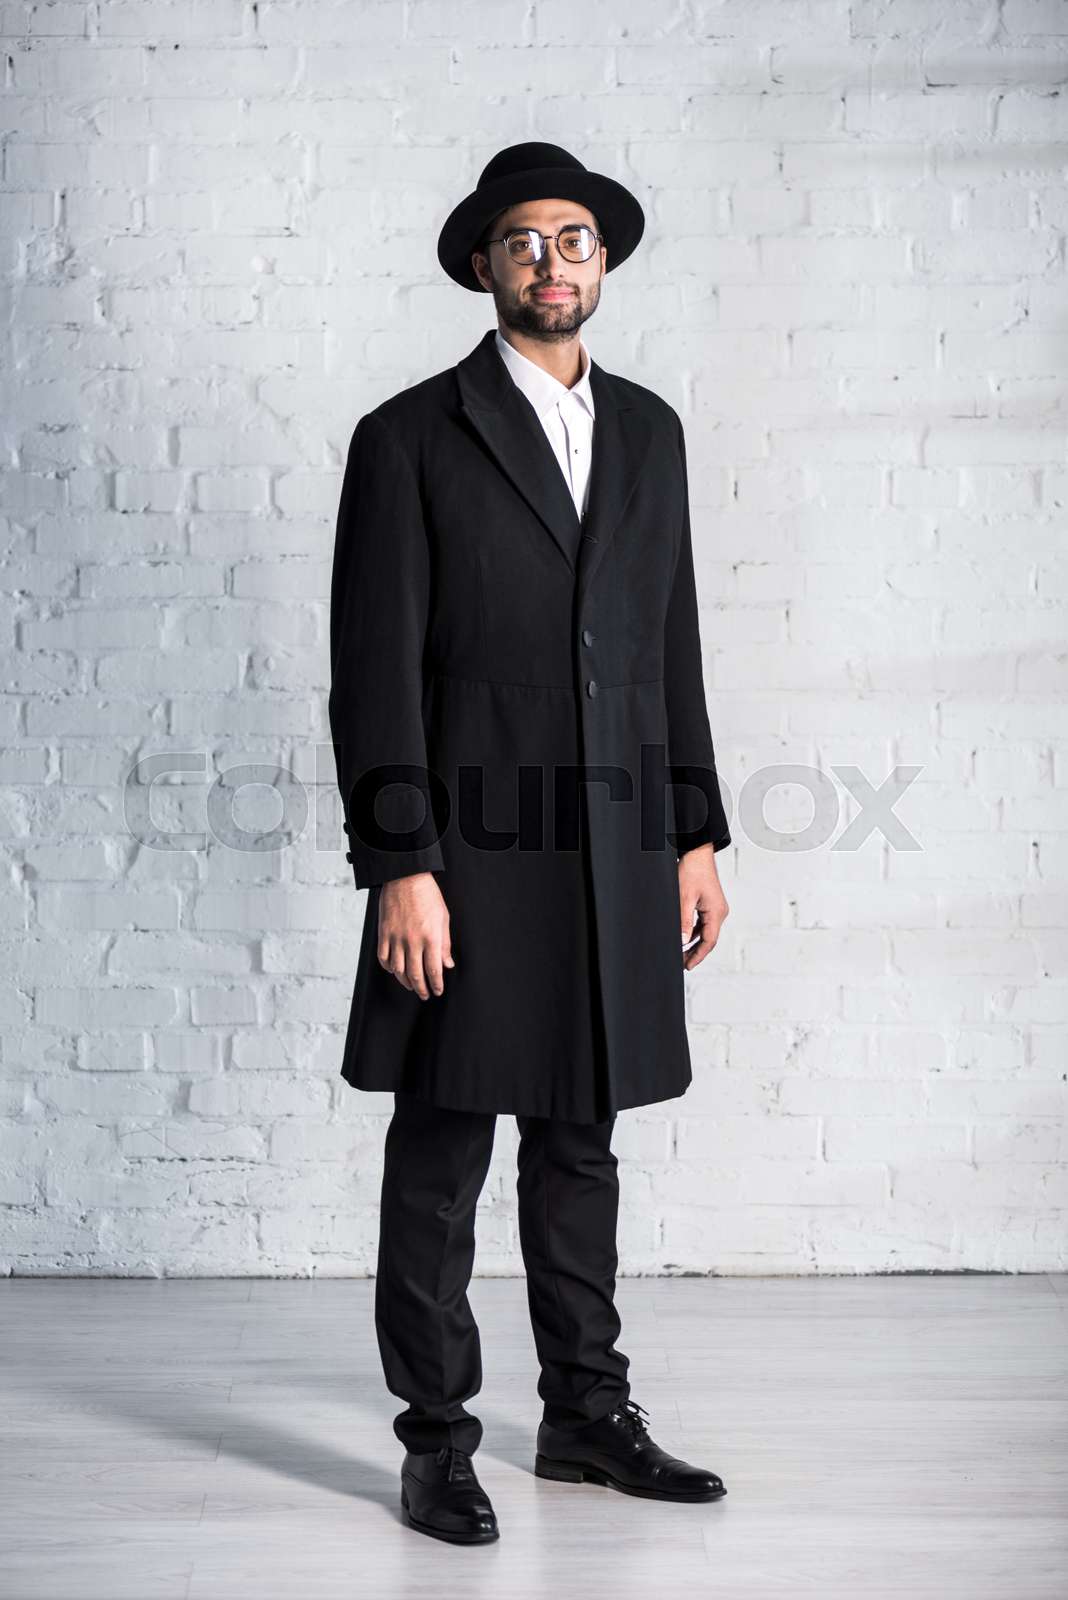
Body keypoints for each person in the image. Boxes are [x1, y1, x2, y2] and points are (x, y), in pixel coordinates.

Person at [328, 142, 731, 1545]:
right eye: (523, 242)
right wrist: (402, 864)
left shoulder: (653, 432)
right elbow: (373, 671)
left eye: (573, 240)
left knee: (581, 1138)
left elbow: (670, 644)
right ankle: (437, 1439)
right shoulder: (408, 437)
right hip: (468, 851)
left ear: (602, 261)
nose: (551, 263)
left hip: (613, 843)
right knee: (443, 1149)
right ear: (484, 266)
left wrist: (692, 835)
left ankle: (585, 1417)